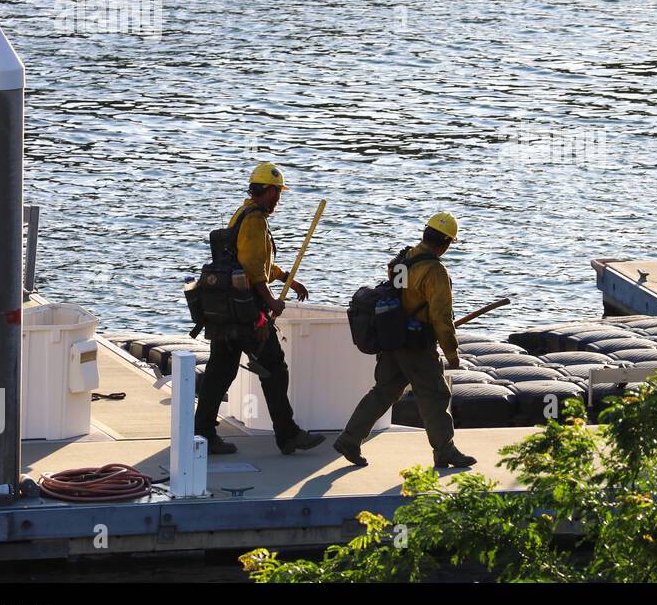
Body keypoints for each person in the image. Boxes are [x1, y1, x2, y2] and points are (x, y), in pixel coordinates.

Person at [194, 163, 326, 456]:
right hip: (246, 312)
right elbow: (253, 271)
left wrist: (286, 279)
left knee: (220, 371)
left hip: (226, 309)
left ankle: (202, 433)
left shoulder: (242, 214)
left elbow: (249, 260)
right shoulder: (255, 221)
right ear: (266, 191)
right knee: (275, 368)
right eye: (276, 193)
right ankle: (287, 434)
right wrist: (271, 302)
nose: (278, 199)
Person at [333, 212, 477, 469]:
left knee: (383, 392)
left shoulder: (403, 259)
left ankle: (349, 439)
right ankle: (445, 451)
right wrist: (452, 353)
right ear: (445, 244)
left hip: (392, 338)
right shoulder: (435, 272)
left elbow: (397, 292)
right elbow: (441, 317)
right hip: (416, 345)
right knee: (435, 395)